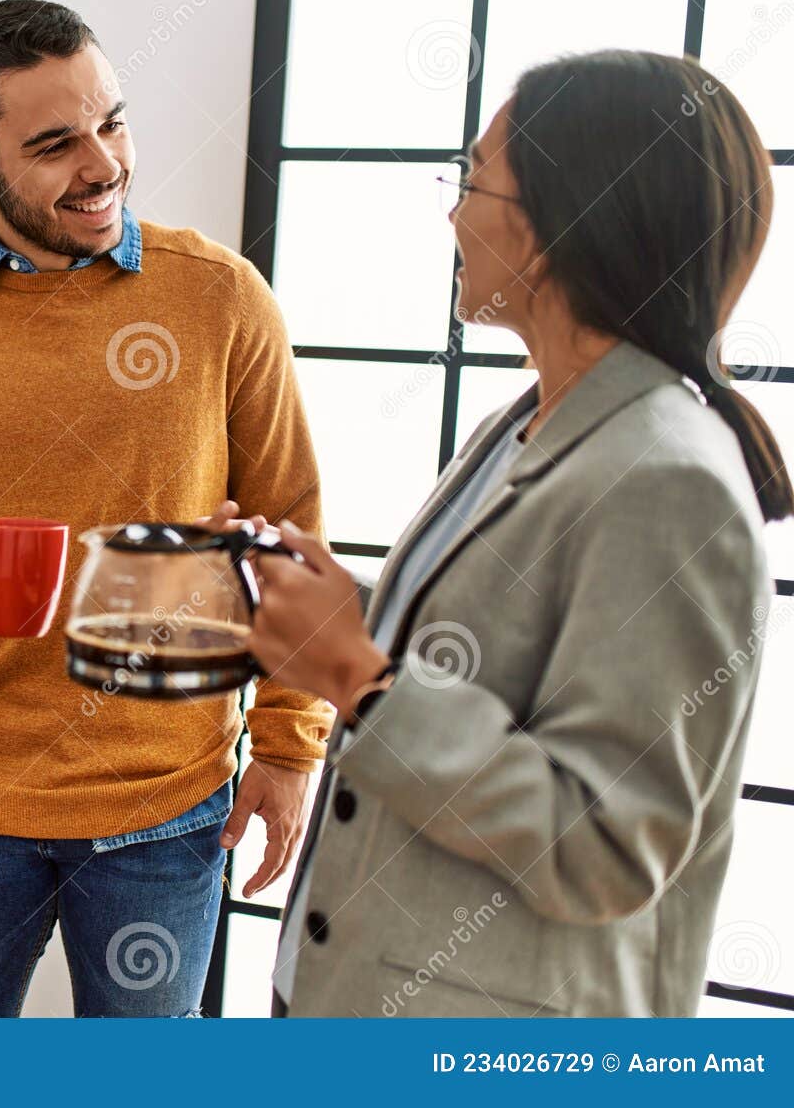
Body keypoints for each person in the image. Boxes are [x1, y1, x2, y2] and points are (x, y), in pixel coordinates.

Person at [0, 0, 330, 1017]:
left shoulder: (221, 298)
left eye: (111, 122)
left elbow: (288, 531)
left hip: (167, 809)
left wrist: (285, 743)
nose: (103, 163)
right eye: (55, 143)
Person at [233, 49, 786, 1017]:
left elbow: (610, 844)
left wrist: (356, 678)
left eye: (470, 180)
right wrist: (324, 604)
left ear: (547, 231)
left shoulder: (670, 478)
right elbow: (490, 665)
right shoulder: (532, 418)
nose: (453, 214)